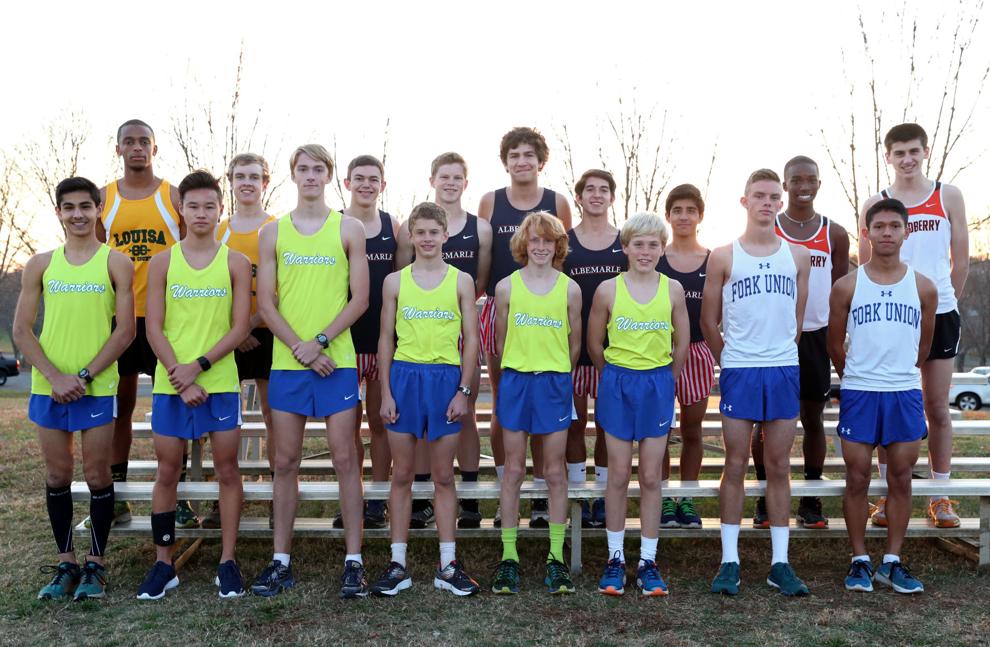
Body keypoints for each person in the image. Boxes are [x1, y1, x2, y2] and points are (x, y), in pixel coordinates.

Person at [250, 145, 370, 598]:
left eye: (319, 169)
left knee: (345, 460)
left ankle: (354, 561)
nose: (311, 176)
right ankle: (280, 561)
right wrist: (301, 349)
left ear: (330, 176)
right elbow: (265, 304)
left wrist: (318, 342)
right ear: (292, 175)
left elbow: (358, 299)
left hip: (334, 362)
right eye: (303, 169)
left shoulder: (349, 228)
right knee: (284, 461)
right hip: (289, 363)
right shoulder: (272, 232)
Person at [14, 177, 135, 601]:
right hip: (49, 388)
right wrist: (56, 377)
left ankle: (95, 567)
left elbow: (126, 331)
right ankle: (66, 563)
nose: (78, 214)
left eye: (86, 206)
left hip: (97, 386)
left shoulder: (116, 263)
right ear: (59, 212)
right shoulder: (41, 264)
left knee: (98, 473)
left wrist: (81, 378)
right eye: (70, 207)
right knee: (56, 474)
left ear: (99, 208)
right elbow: (22, 331)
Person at [137, 170, 252, 600]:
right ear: (180, 209)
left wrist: (198, 367)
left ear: (221, 210)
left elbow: (240, 327)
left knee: (227, 470)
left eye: (209, 206)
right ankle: (163, 563)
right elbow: (154, 329)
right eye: (193, 206)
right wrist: (178, 375)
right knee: (167, 471)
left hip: (219, 381)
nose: (201, 213)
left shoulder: (235, 262)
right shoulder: (163, 261)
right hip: (171, 384)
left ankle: (227, 561)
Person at [702, 169, 811, 596]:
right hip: (740, 370)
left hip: (782, 368)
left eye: (773, 197)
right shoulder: (724, 255)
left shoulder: (797, 257)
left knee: (780, 465)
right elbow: (709, 321)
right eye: (758, 196)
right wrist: (729, 358)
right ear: (744, 201)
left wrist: (778, 352)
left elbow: (796, 321)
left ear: (781, 203)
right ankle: (730, 560)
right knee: (735, 463)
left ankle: (779, 563)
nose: (767, 203)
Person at [859, 123, 968, 529]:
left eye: (914, 151)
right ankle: (888, 495)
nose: (907, 159)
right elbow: (865, 265)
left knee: (937, 406)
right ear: (888, 156)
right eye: (899, 152)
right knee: (891, 405)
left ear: (925, 152)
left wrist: (940, 301)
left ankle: (940, 494)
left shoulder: (948, 195)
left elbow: (961, 260)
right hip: (891, 315)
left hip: (938, 313)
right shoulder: (877, 202)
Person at [371, 202, 482, 597]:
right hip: (404, 378)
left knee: (443, 476)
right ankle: (397, 563)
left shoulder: (461, 281)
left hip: (445, 379)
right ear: (411, 236)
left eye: (435, 232)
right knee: (401, 474)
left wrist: (464, 391)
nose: (428, 239)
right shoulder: (396, 282)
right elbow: (386, 338)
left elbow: (472, 340)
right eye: (420, 232)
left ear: (445, 235)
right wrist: (386, 391)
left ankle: (448, 564)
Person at [829, 198, 936, 595]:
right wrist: (857, 376)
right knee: (856, 477)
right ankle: (859, 560)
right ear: (867, 232)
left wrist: (899, 376)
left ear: (906, 231)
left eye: (895, 225)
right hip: (860, 392)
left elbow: (923, 349)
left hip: (903, 392)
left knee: (901, 478)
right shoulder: (847, 286)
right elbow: (834, 344)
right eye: (880, 226)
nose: (887, 232)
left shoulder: (923, 287)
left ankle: (892, 561)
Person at [587, 212, 689, 596]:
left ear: (663, 249)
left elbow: (681, 343)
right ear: (625, 247)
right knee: (617, 475)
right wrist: (613, 375)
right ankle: (615, 559)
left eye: (653, 244)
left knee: (650, 476)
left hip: (657, 384)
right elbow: (595, 344)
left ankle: (648, 560)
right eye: (638, 244)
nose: (645, 251)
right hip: (617, 383)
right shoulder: (608, 290)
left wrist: (666, 380)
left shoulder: (673, 289)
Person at [97, 119, 190, 528]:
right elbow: (94, 258)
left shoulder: (174, 197)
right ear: (117, 148)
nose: (137, 148)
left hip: (167, 319)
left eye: (144, 142)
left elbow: (193, 252)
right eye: (129, 142)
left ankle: (180, 492)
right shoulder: (104, 198)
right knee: (122, 406)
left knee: (171, 406)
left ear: (156, 148)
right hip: (118, 319)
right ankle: (116, 493)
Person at [479, 127, 572, 528]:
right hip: (504, 307)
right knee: (504, 403)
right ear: (505, 161)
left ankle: (542, 495)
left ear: (540, 161)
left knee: (549, 410)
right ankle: (508, 488)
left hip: (545, 313)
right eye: (514, 154)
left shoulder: (557, 201)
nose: (521, 161)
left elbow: (563, 255)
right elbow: (483, 261)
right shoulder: (491, 201)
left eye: (528, 155)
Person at [751, 156, 849, 529]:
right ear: (785, 186)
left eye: (810, 179)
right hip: (773, 335)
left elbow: (842, 292)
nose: (803, 186)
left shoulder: (834, 233)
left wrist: (838, 339)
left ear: (819, 184)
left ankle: (811, 500)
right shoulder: (768, 227)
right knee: (766, 420)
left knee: (812, 419)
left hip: (816, 335)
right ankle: (763, 499)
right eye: (796, 180)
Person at [396, 152, 493, 528]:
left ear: (465, 183)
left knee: (462, 413)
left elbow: (480, 280)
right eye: (444, 177)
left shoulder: (480, 228)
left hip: (457, 322)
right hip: (420, 330)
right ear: (432, 179)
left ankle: (469, 496)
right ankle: (421, 497)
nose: (450, 183)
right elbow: (401, 276)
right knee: (420, 417)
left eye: (457, 177)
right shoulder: (414, 224)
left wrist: (456, 315)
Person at [489, 211, 582, 595]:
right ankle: (509, 557)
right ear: (524, 244)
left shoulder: (570, 289)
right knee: (513, 470)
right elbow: (498, 342)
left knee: (554, 470)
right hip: (516, 380)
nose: (541, 246)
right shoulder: (506, 287)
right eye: (535, 240)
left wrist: (554, 371)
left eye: (548, 241)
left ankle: (555, 558)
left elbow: (574, 345)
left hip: (554, 383)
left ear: (557, 245)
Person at [205, 153, 277, 530]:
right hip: (225, 338)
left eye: (254, 176)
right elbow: (210, 288)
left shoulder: (277, 228)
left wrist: (249, 326)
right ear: (230, 181)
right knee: (223, 420)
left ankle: (276, 496)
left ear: (265, 182)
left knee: (272, 417)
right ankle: (221, 498)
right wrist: (235, 332)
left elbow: (281, 290)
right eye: (239, 176)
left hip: (265, 333)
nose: (246, 182)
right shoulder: (219, 231)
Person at [562, 169, 625, 528]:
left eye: (604, 190)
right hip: (570, 349)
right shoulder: (566, 242)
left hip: (612, 353)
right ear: (580, 198)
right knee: (573, 425)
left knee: (607, 425)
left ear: (611, 197)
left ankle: (601, 496)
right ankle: (577, 497)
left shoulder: (625, 241)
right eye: (590, 190)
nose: (597, 195)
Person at [342, 154, 400, 530]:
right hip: (344, 340)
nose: (366, 184)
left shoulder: (394, 226)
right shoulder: (335, 226)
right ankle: (351, 498)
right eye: (359, 178)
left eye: (373, 179)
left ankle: (377, 500)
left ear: (383, 184)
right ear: (347, 183)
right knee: (346, 427)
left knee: (380, 421)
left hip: (382, 340)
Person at [658, 184, 713, 529]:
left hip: (697, 351)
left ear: (700, 216)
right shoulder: (655, 256)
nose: (683, 216)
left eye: (690, 210)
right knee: (660, 432)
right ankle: (664, 500)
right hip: (657, 352)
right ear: (668, 216)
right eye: (677, 210)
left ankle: (687, 498)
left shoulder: (713, 259)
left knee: (692, 431)